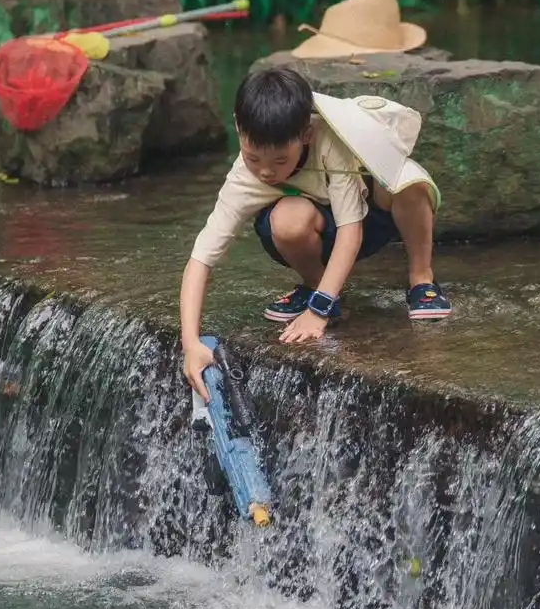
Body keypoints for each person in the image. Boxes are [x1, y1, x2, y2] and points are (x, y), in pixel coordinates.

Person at [181, 65, 451, 398]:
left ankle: (421, 278)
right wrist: (190, 343)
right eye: (253, 158)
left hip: (368, 221)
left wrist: (316, 313)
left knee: (409, 183)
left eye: (280, 161)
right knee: (287, 221)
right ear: (238, 126)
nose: (265, 172)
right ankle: (317, 286)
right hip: (317, 234)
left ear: (306, 134)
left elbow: (351, 232)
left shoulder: (329, 140)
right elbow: (200, 259)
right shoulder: (244, 177)